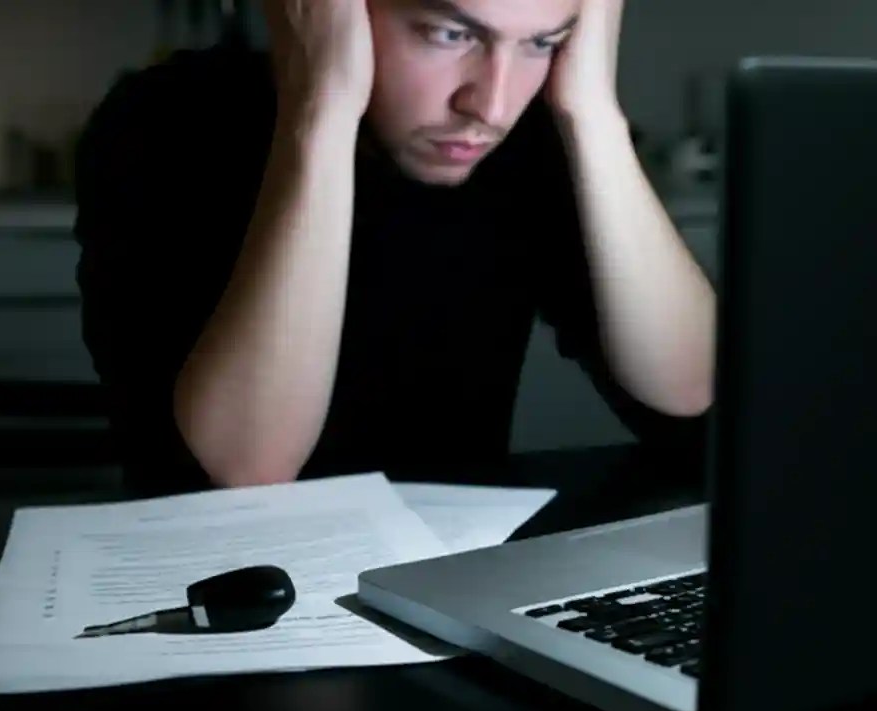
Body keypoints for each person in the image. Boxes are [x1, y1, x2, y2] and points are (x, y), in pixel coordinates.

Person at [73, 0, 717, 498]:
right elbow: (246, 472)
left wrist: (593, 111)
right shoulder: (164, 123)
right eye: (450, 34)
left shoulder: (536, 146)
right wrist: (319, 111)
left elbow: (690, 399)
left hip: (447, 606)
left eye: (542, 43)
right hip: (210, 616)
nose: (488, 105)